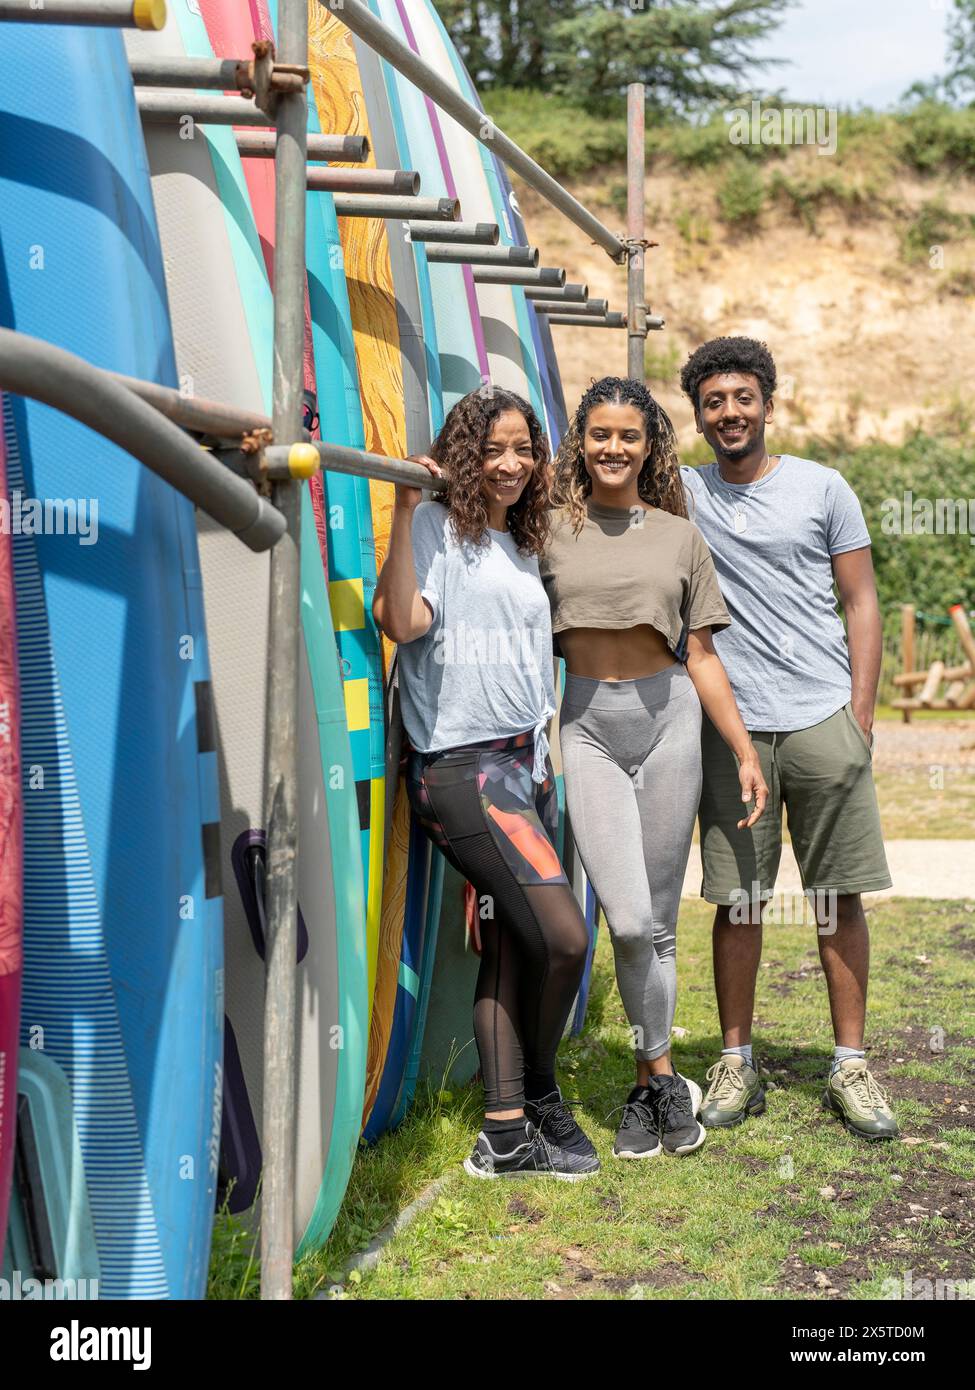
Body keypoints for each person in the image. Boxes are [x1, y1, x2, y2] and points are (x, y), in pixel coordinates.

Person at [373, 387, 599, 1180]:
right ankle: (540, 1092)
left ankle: (502, 1132)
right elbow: (399, 622)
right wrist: (403, 511)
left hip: (521, 765)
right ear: (466, 456)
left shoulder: (521, 542)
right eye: (493, 450)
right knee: (564, 938)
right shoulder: (438, 529)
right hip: (463, 771)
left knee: (508, 941)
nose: (510, 465)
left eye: (523, 450)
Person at [540, 377, 768, 1160]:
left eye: (627, 436)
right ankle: (666, 1073)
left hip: (668, 718)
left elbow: (701, 654)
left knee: (659, 925)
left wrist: (740, 750)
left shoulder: (677, 535)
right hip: (587, 726)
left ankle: (649, 1085)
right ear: (581, 442)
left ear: (649, 446)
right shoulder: (544, 529)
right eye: (598, 434)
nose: (612, 448)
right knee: (628, 919)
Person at [678, 336, 898, 1141]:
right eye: (713, 401)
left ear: (768, 403)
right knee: (737, 899)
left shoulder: (821, 487)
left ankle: (849, 1064)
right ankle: (735, 1059)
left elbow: (860, 600)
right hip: (730, 726)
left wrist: (860, 714)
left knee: (836, 897)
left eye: (742, 397)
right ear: (696, 416)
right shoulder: (681, 492)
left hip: (820, 720)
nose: (729, 412)